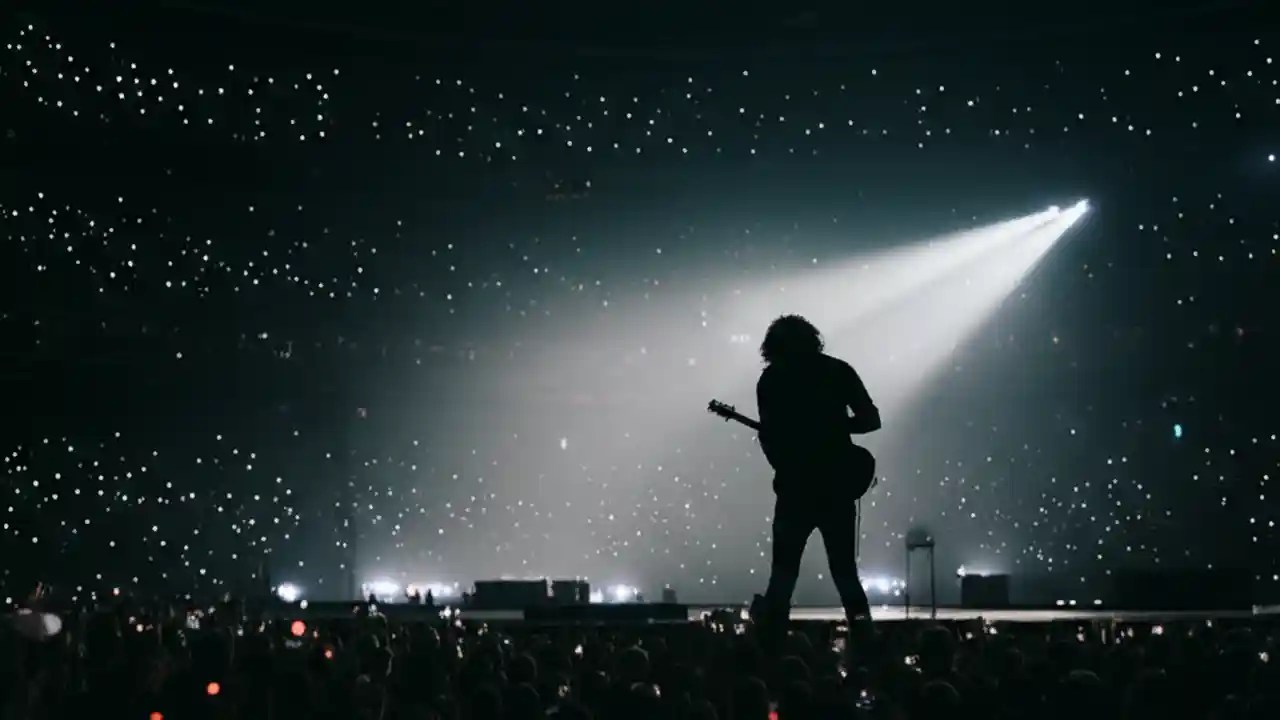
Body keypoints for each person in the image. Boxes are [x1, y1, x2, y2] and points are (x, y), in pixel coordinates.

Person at [750, 315, 881, 652]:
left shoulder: (771, 380)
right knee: (845, 573)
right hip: (836, 488)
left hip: (794, 490)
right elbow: (871, 420)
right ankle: (865, 644)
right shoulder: (838, 371)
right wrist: (835, 428)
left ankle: (771, 647)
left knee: (782, 575)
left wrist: (799, 448)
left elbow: (771, 442)